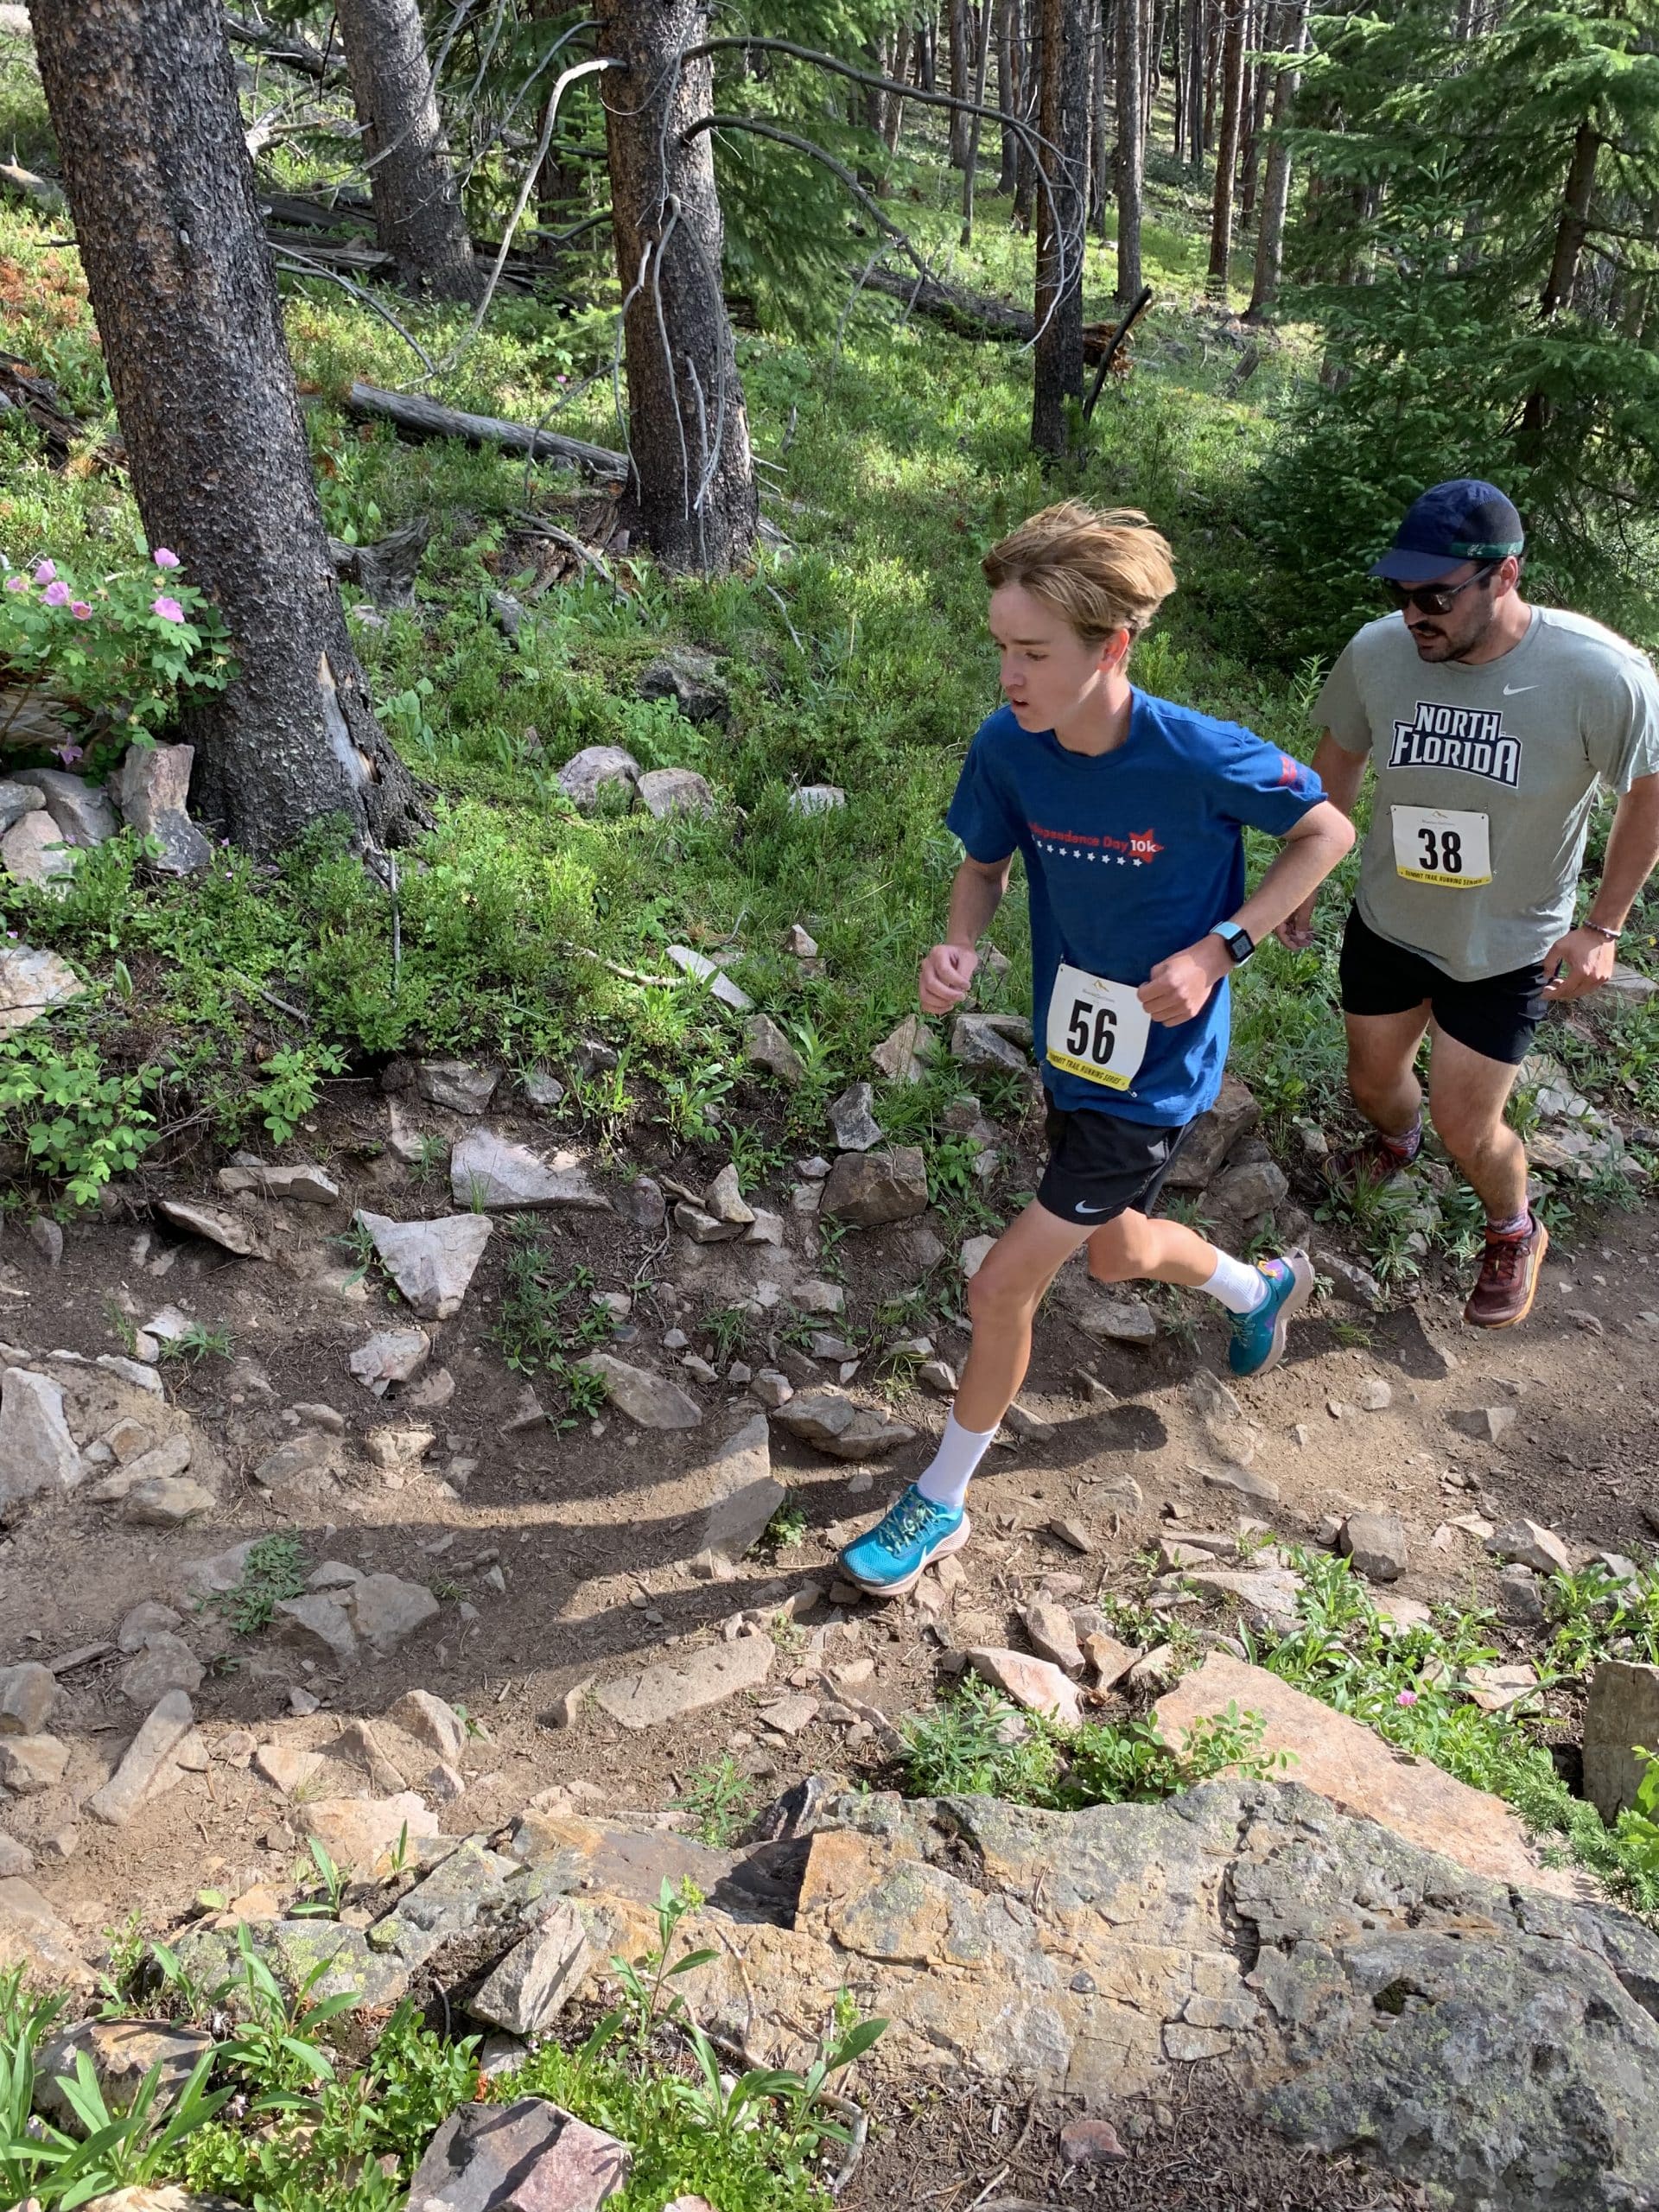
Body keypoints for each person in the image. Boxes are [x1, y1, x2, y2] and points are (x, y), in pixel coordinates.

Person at [837, 502, 1355, 1599]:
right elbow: (983, 868)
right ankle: (1258, 1288)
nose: (1009, 675)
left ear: (1112, 646)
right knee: (1118, 1253)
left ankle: (940, 1499)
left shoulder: (1196, 754)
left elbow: (1328, 830)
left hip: (1156, 1074)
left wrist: (1221, 949)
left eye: (1034, 653)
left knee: (1001, 1285)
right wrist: (959, 944)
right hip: (1075, 1052)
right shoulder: (1008, 747)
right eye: (1002, 647)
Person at [1281, 479, 1659, 1329]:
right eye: (1400, 591)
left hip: (1507, 945)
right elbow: (1339, 756)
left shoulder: (1598, 673)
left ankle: (1513, 1227)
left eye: (1436, 596)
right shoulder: (1380, 651)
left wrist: (1603, 927)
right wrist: (1308, 869)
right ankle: (1394, 1142)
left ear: (1505, 576)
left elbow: (1649, 793)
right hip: (1392, 922)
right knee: (1373, 1084)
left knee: (1466, 1121)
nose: (1413, 614)